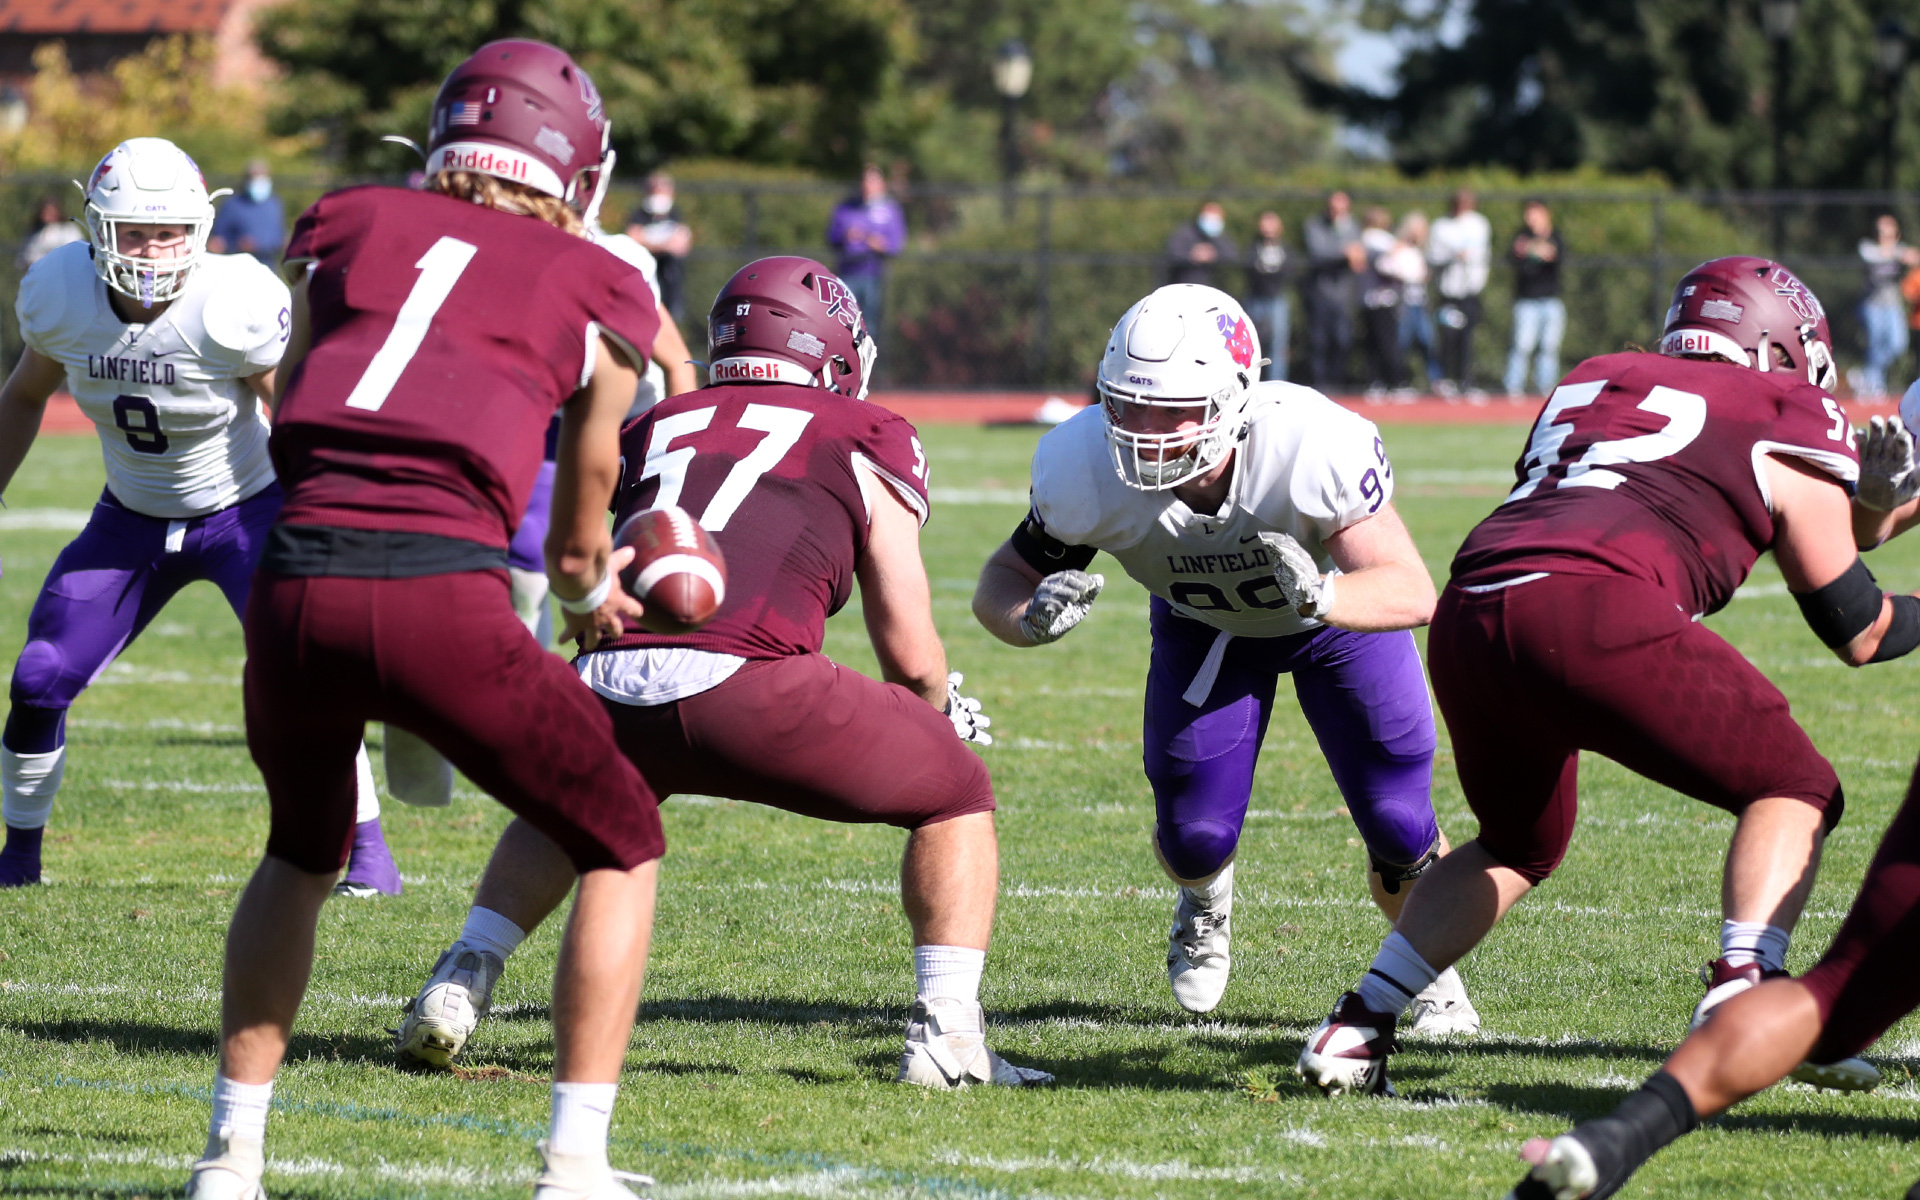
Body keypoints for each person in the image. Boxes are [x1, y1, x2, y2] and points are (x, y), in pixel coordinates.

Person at [183, 41, 669, 1200]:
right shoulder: (601, 279)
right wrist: (597, 602)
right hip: (445, 588)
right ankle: (574, 1163)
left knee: (299, 854)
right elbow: (573, 544)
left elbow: (289, 402)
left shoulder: (346, 223)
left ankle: (228, 1161)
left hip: (294, 586)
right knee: (623, 836)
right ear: (576, 169)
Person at [395, 256, 1051, 1090]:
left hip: (601, 679)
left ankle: (461, 977)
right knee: (957, 795)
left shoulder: (659, 422)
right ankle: (947, 1038)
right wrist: (936, 714)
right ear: (831, 349)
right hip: (748, 683)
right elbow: (911, 653)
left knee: (572, 806)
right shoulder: (869, 430)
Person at [1298, 256, 1912, 1103]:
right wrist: (1871, 510)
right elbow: (1857, 623)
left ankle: (1357, 1023)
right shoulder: (1789, 406)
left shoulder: (1600, 376)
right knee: (1795, 785)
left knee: (1517, 843)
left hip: (1473, 606)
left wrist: (1870, 508)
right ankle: (1743, 989)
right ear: (1778, 344)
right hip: (1597, 609)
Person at [971, 283, 1477, 1033]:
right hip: (1205, 628)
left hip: (1334, 625)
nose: (1142, 432)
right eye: (1126, 405)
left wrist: (1322, 598)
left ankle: (1425, 962)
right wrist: (1028, 619)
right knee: (1194, 836)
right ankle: (1205, 902)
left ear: (1233, 398)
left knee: (1401, 825)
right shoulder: (1086, 465)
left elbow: (1409, 589)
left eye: (1170, 410)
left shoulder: (1307, 444)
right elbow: (999, 584)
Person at [0, 137, 396, 897]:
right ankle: (19, 856)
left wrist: (338, 507)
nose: (155, 250)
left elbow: (298, 409)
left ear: (200, 229)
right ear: (96, 230)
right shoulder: (61, 293)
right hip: (132, 516)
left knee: (304, 675)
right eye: (138, 232)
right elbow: (24, 395)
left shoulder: (230, 300)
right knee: (39, 675)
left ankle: (370, 854)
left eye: (172, 231)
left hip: (246, 513)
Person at [378, 220, 700, 808]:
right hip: (553, 423)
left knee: (627, 573)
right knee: (530, 571)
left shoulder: (613, 258)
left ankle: (638, 699)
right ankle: (525, 694)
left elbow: (675, 362)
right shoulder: (502, 251)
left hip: (630, 426)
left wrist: (678, 450)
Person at [825, 164, 906, 349]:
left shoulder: (890, 210)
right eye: (865, 181)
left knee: (869, 326)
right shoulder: (846, 208)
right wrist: (846, 236)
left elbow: (895, 245)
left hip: (873, 276)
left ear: (882, 184)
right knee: (842, 322)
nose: (868, 185)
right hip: (846, 275)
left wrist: (878, 244)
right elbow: (831, 237)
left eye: (872, 181)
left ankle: (867, 368)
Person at [1428, 188, 1491, 398]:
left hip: (1469, 292)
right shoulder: (1440, 226)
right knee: (1447, 337)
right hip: (1449, 293)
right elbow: (1434, 256)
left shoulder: (1479, 224)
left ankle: (1466, 381)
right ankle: (1446, 380)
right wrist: (1453, 255)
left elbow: (1481, 255)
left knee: (1467, 338)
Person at [1503, 199, 1567, 400]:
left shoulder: (1555, 235)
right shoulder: (1521, 235)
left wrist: (1538, 248)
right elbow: (1512, 256)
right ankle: (1514, 386)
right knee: (1522, 345)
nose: (1531, 218)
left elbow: (1558, 255)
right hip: (1526, 300)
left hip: (1550, 300)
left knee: (1549, 346)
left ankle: (1545, 387)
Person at [1302, 191, 1363, 392]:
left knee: (1342, 341)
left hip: (1343, 295)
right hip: (1320, 294)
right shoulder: (1314, 225)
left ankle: (1338, 384)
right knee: (1319, 342)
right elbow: (1318, 253)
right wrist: (1344, 254)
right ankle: (1320, 385)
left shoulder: (1352, 226)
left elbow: (1358, 256)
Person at [1857, 213, 1919, 399]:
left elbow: (1914, 257)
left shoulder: (1900, 250)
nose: (1883, 237)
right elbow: (1875, 256)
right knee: (1875, 344)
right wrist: (1898, 253)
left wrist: (1910, 256)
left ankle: (1867, 376)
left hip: (1893, 306)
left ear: (1896, 235)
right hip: (1873, 305)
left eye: (1888, 234)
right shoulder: (1867, 248)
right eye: (1880, 233)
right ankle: (1874, 384)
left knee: (1898, 345)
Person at [1384, 211, 1440, 393]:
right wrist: (1405, 278)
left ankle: (1436, 380)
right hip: (1403, 302)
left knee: (1427, 341)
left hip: (1419, 301)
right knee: (1402, 343)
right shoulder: (1397, 247)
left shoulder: (1419, 251)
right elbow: (1385, 266)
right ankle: (1398, 381)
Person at [625, 172, 690, 322]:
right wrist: (663, 245)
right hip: (645, 279)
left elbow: (682, 243)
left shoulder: (675, 213)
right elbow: (633, 237)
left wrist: (650, 241)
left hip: (670, 280)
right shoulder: (639, 214)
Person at [1357, 205, 1404, 396]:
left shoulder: (1361, 239)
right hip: (1383, 299)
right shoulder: (1380, 240)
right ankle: (1393, 382)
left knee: (1372, 343)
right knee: (1387, 342)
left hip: (1367, 298)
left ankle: (1375, 382)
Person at [206, 159, 285, 266]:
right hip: (238, 267)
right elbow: (217, 241)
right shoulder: (231, 205)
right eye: (255, 178)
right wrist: (236, 245)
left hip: (269, 267)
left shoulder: (274, 204)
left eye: (263, 178)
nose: (259, 183)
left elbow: (279, 236)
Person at [1244, 210, 1292, 382]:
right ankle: (1250, 382)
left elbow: (1289, 269)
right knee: (1252, 345)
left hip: (1277, 300)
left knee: (1278, 346)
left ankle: (1276, 383)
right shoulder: (1253, 247)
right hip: (1255, 299)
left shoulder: (1284, 248)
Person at [1166, 201, 1238, 290]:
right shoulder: (1185, 233)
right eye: (1209, 216)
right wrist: (1192, 255)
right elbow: (1172, 253)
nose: (1212, 221)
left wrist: (1213, 254)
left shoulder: (1221, 237)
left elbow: (1232, 255)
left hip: (1213, 288)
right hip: (1183, 286)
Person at [14, 195, 82, 272]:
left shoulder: (68, 230)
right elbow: (24, 258)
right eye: (44, 211)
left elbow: (77, 254)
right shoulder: (33, 233)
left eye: (50, 211)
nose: (46, 214)